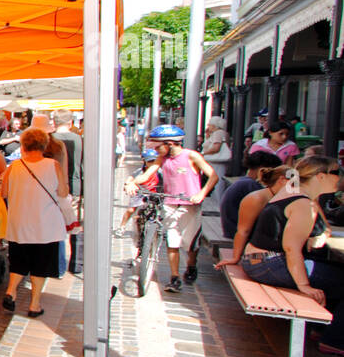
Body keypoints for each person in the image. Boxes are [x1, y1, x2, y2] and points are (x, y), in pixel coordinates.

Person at [238, 155, 344, 354]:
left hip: (256, 261)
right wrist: (304, 286)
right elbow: (291, 249)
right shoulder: (302, 203)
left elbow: (320, 227)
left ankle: (320, 330)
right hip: (270, 264)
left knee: (333, 273)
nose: (340, 177)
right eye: (336, 172)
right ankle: (335, 341)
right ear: (321, 176)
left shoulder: (294, 192)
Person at [140, 124, 219, 293]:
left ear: (169, 143)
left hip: (190, 205)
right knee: (172, 241)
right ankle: (174, 278)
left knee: (190, 245)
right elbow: (148, 173)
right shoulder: (163, 159)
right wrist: (132, 182)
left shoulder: (192, 156)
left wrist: (201, 194)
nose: (155, 149)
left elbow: (213, 175)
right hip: (170, 203)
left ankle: (191, 265)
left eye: (157, 145)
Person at [0, 127, 66, 317]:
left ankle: (11, 291)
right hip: (45, 226)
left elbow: (3, 193)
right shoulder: (53, 165)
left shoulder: (14, 166)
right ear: (44, 145)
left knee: (19, 262)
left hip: (19, 223)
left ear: (24, 145)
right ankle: (34, 304)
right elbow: (62, 193)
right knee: (40, 265)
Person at [215, 165, 289, 268]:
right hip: (259, 252)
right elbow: (243, 231)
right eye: (294, 184)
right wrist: (235, 258)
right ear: (282, 180)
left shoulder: (280, 197)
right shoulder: (257, 198)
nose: (298, 188)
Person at [219, 150, 282, 239]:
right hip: (237, 231)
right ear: (262, 169)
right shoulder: (250, 185)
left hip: (232, 229)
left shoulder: (244, 182)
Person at [116, 148, 160, 235]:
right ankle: (122, 226)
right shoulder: (140, 172)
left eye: (154, 161)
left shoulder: (159, 172)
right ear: (144, 161)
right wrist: (128, 184)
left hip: (154, 193)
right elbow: (130, 179)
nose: (152, 164)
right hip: (140, 193)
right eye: (149, 161)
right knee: (131, 210)